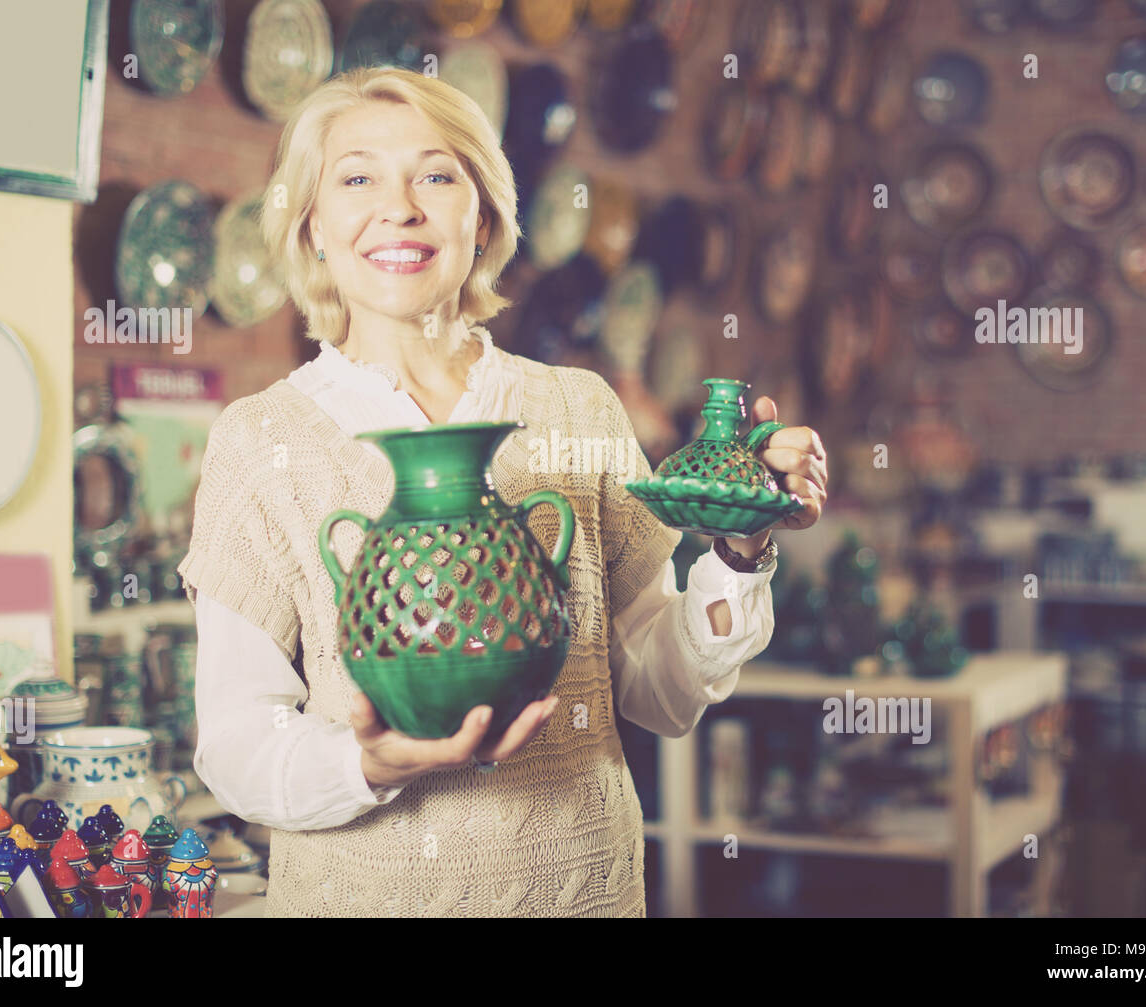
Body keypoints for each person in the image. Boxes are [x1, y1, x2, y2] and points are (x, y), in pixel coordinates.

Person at [178, 66, 828, 917]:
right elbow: (234, 742)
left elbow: (660, 693)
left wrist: (741, 548)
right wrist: (367, 765)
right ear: (312, 226)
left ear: (481, 216)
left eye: (437, 175)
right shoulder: (260, 442)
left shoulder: (580, 408)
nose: (400, 207)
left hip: (581, 892)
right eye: (357, 176)